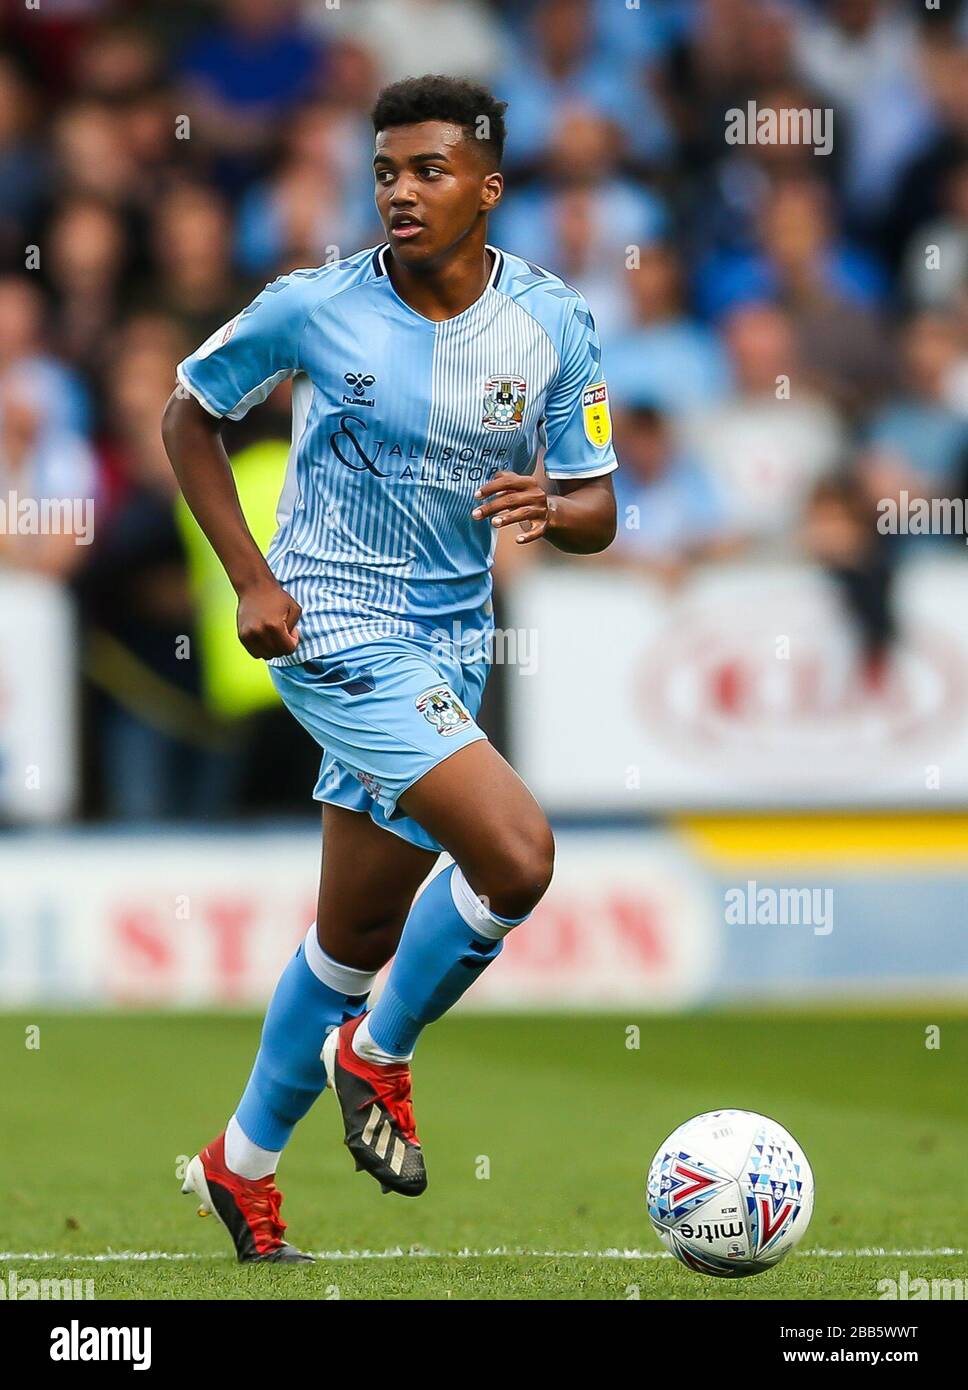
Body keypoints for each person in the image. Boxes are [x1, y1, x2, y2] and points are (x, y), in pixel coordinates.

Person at [162, 74, 617, 1263]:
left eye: (427, 171)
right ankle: (379, 1051)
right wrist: (252, 582)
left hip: (454, 643)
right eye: (384, 173)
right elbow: (185, 415)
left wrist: (550, 505)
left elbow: (598, 508)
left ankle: (241, 1167)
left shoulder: (553, 322)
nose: (401, 193)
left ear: (487, 186)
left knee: (351, 939)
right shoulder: (312, 307)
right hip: (337, 627)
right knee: (516, 854)